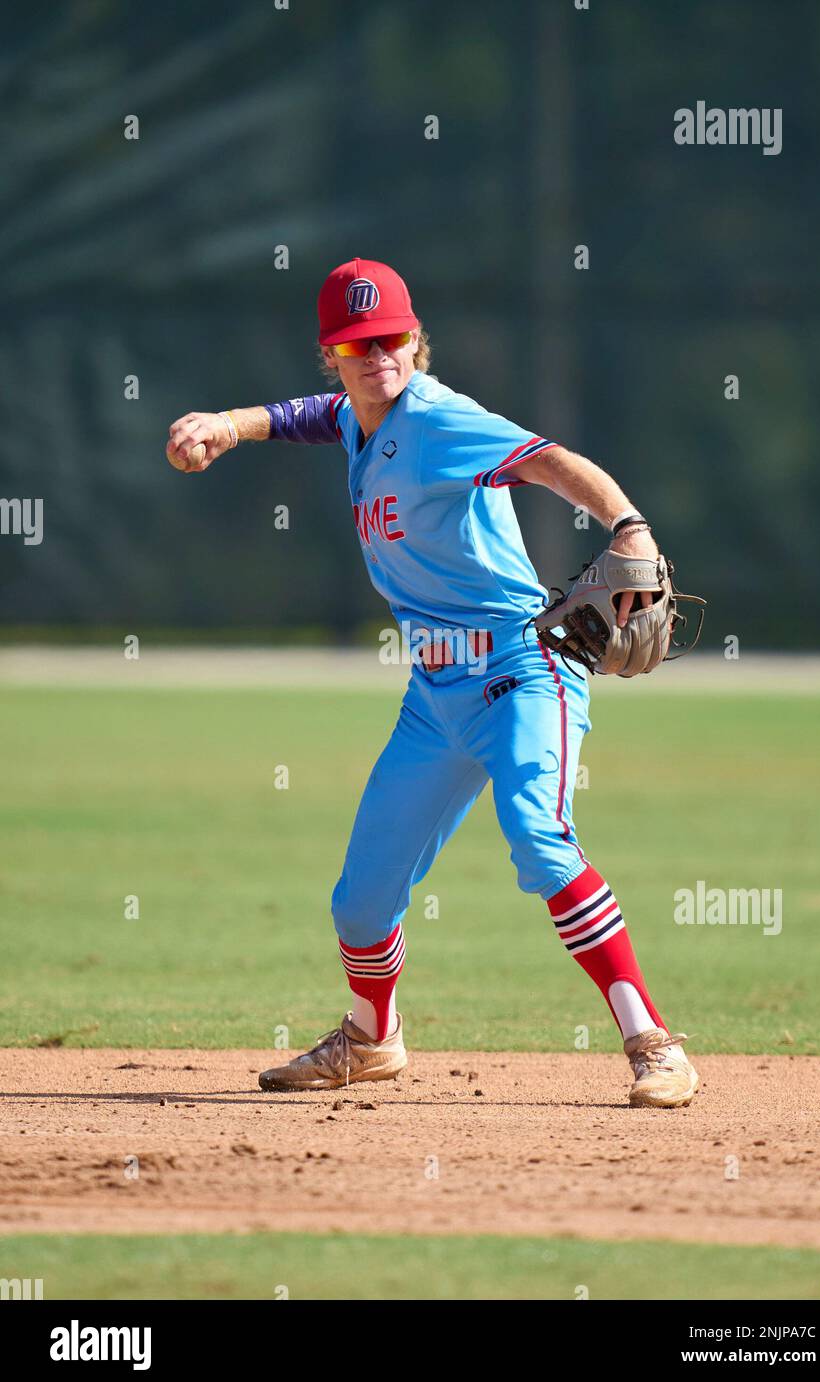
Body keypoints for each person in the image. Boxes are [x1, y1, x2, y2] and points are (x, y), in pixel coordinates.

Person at [166, 257, 698, 1108]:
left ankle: (654, 1044)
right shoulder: (356, 418)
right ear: (331, 353)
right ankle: (372, 1040)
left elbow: (554, 463)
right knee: (361, 898)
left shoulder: (442, 419)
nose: (378, 354)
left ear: (416, 340)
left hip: (522, 669)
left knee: (537, 837)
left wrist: (627, 524)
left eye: (392, 338)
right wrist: (227, 425)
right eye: (356, 342)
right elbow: (313, 417)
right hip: (435, 699)